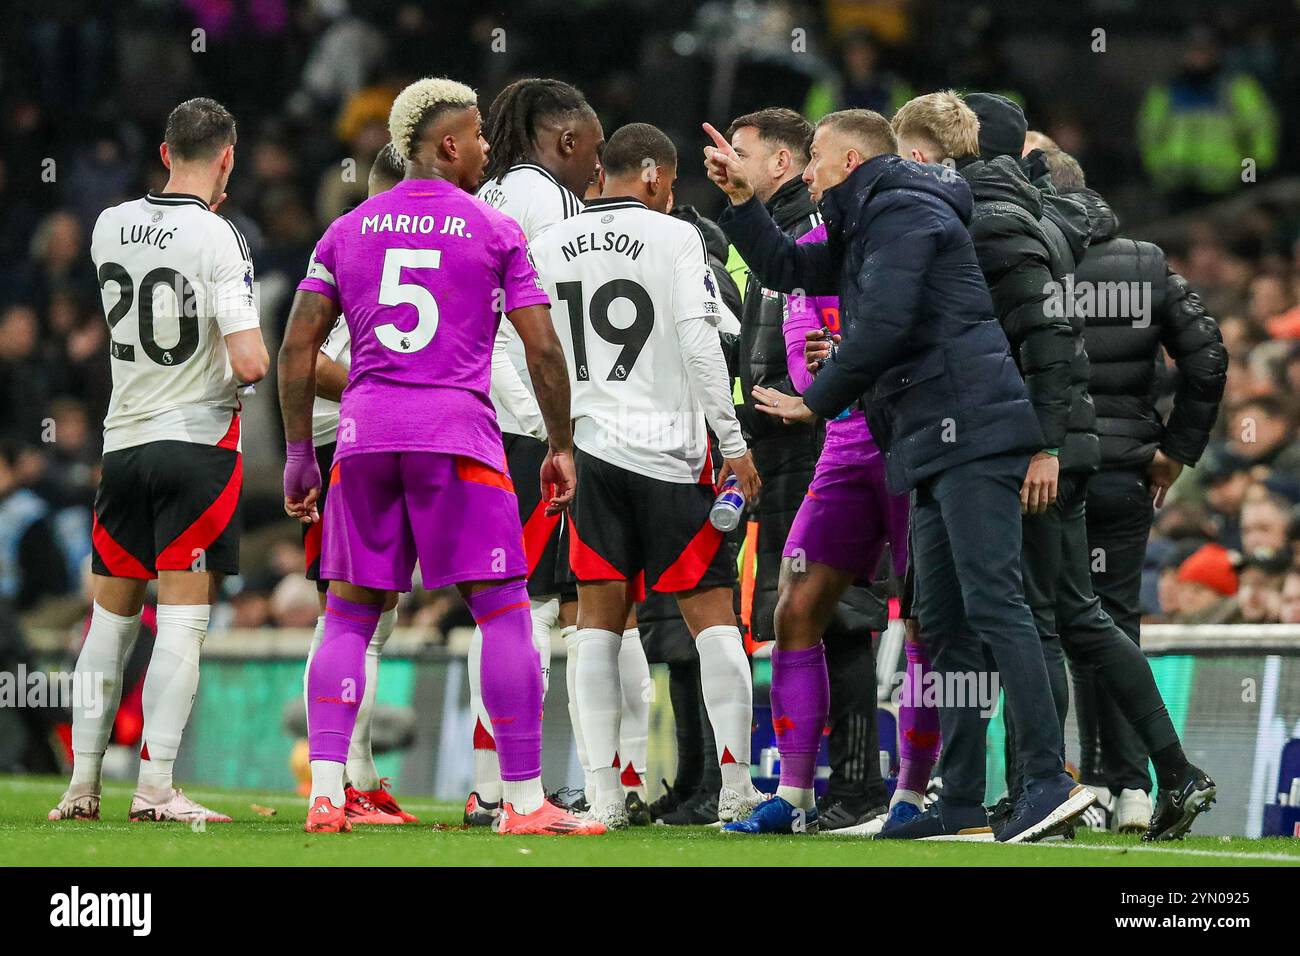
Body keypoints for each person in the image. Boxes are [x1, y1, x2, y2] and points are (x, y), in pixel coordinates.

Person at [705, 109, 1090, 843]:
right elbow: (787, 267)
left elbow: (882, 324)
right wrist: (743, 205)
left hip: (973, 428)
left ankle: (1046, 777)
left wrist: (813, 400)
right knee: (943, 623)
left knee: (995, 604)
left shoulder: (906, 213)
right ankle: (963, 796)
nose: (808, 171)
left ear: (850, 160)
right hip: (925, 439)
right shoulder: (864, 222)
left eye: (815, 158)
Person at [279, 76, 602, 836]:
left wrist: (300, 454)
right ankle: (522, 802)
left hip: (361, 439)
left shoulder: (347, 230)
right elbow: (544, 348)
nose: (490, 150)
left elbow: (296, 349)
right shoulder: (494, 231)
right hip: (457, 438)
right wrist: (560, 444)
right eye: (480, 138)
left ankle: (327, 794)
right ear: (448, 143)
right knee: (504, 615)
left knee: (349, 618)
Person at [890, 91, 1216, 842]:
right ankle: (1154, 775)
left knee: (1034, 620)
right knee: (1081, 617)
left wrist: (1040, 444)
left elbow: (1046, 344)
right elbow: (1203, 359)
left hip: (1030, 449)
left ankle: (1050, 789)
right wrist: (1176, 448)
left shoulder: (994, 223)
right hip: (1098, 453)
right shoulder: (1106, 242)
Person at [531, 122, 765, 830]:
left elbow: (527, 350)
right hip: (668, 451)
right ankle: (735, 788)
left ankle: (602, 795)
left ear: (604, 173)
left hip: (591, 452)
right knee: (713, 618)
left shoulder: (546, 245)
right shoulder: (676, 238)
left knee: (596, 627)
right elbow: (699, 344)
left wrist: (556, 439)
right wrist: (733, 442)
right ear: (658, 178)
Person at [50, 97, 270, 824]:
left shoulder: (109, 225)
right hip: (196, 448)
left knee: (109, 622)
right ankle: (156, 789)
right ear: (228, 159)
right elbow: (248, 360)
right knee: (181, 623)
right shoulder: (219, 237)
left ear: (165, 151)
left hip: (122, 447)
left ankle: (81, 786)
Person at [1041, 148, 1228, 831]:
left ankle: (1073, 784)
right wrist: (1176, 452)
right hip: (1127, 472)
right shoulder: (1147, 263)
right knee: (1111, 621)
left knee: (1057, 623)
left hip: (1052, 468)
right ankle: (1131, 788)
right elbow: (1207, 357)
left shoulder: (1033, 255)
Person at [466, 77, 633, 824]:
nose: (597, 171)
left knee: (506, 606)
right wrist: (551, 428)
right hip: (527, 428)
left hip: (478, 417)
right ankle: (510, 792)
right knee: (528, 610)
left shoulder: (492, 192)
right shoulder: (551, 203)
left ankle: (487, 783)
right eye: (593, 154)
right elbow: (537, 334)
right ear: (567, 141)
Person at [724, 106, 891, 830]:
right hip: (797, 439)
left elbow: (882, 323)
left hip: (842, 438)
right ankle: (805, 793)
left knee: (852, 618)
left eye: (742, 153)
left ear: (787, 162)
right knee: (801, 610)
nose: (731, 162)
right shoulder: (788, 235)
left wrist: (817, 391)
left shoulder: (836, 230)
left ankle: (869, 789)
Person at [296, 143, 416, 826]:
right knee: (351, 617)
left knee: (372, 614)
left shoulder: (351, 241)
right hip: (345, 433)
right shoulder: (360, 246)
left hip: (351, 435)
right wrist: (386, 389)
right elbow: (305, 357)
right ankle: (338, 779)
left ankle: (353, 774)